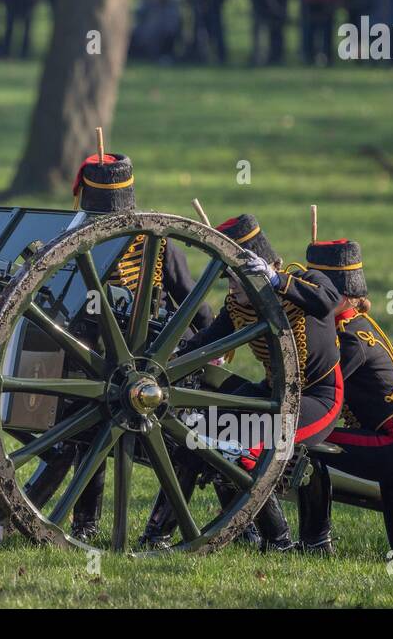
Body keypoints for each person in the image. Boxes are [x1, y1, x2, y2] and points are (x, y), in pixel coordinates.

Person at [57, 152, 215, 542]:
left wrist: (209, 348)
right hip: (92, 358)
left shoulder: (151, 245)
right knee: (86, 441)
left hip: (145, 361)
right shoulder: (86, 243)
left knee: (91, 442)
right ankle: (85, 524)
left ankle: (126, 529)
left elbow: (194, 307)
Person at [162, 215, 344, 551]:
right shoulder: (236, 305)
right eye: (227, 278)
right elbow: (206, 341)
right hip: (274, 393)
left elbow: (327, 301)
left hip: (318, 399)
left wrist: (276, 281)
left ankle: (279, 540)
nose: (230, 286)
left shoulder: (302, 280)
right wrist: (169, 356)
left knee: (241, 442)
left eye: (235, 277)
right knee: (200, 431)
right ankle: (160, 535)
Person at [301, 239, 393, 558]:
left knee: (306, 443)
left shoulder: (349, 338)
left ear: (341, 297)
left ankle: (316, 542)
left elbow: (312, 391)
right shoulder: (359, 327)